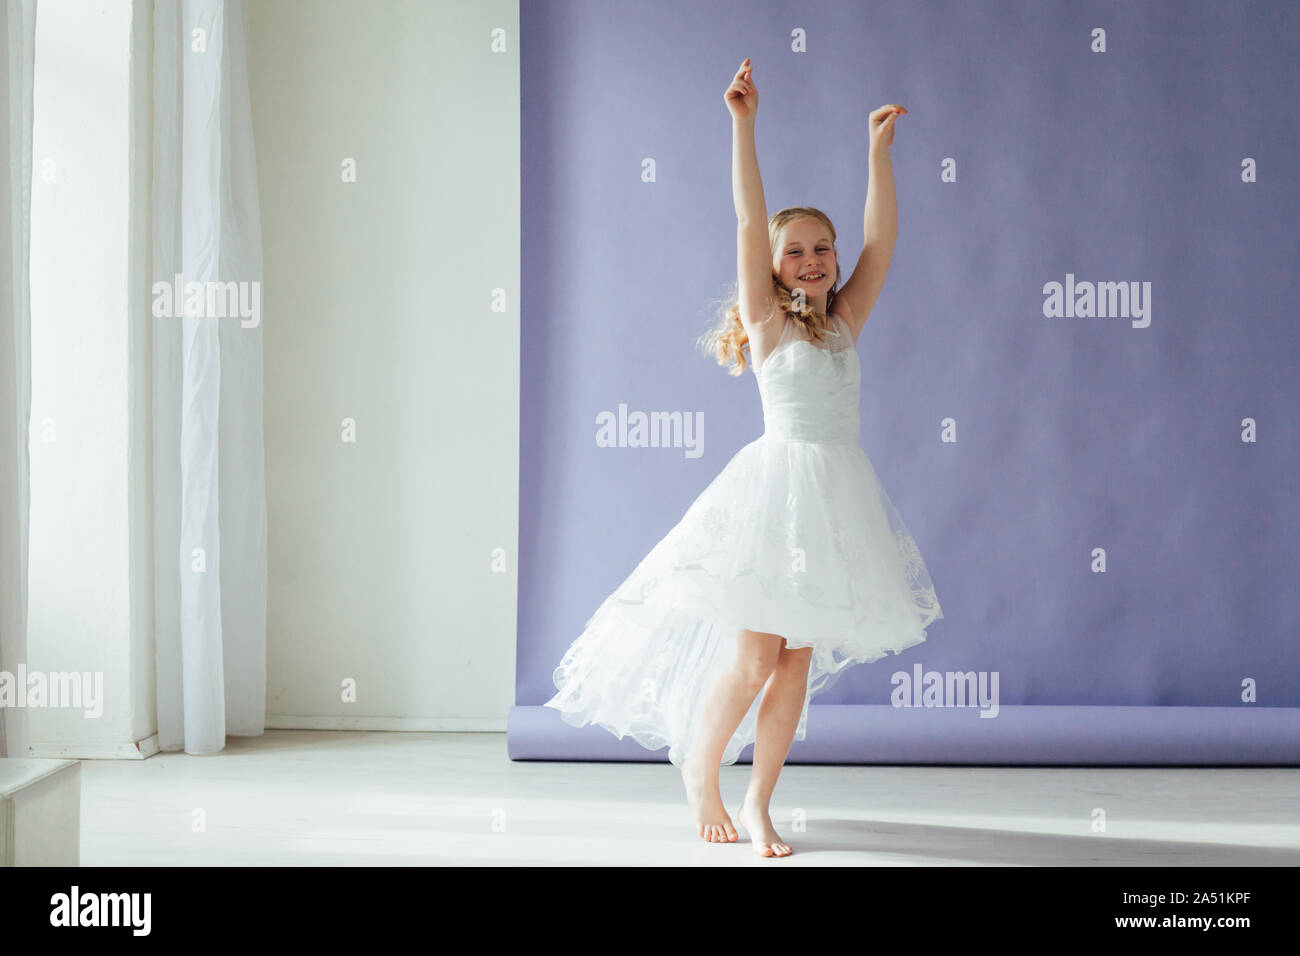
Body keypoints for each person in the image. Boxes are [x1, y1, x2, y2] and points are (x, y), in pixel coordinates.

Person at [544, 58, 942, 857]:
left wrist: (877, 155)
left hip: (834, 495)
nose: (815, 261)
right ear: (771, 266)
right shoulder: (768, 323)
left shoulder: (843, 323)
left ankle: (762, 802)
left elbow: (884, 240)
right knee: (758, 649)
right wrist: (743, 123)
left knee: (795, 660)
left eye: (822, 249)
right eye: (796, 251)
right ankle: (701, 767)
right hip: (776, 492)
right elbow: (745, 216)